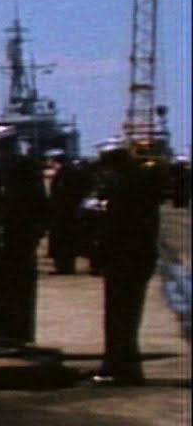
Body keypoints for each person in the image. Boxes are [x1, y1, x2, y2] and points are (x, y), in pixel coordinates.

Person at [92, 140, 163, 385]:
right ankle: (126, 366)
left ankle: (117, 367)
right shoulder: (140, 183)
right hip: (139, 257)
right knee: (128, 316)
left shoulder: (119, 186)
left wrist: (98, 251)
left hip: (122, 258)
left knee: (118, 316)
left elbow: (113, 225)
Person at [0, 125, 50, 343]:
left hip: (12, 239)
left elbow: (11, 206)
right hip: (21, 237)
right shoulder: (23, 167)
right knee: (17, 291)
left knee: (4, 291)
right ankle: (15, 333)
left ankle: (5, 334)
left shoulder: (12, 169)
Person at [46, 149, 89, 274]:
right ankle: (65, 266)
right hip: (68, 212)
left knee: (62, 240)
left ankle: (63, 267)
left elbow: (61, 194)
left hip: (63, 212)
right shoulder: (70, 171)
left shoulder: (64, 174)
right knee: (66, 240)